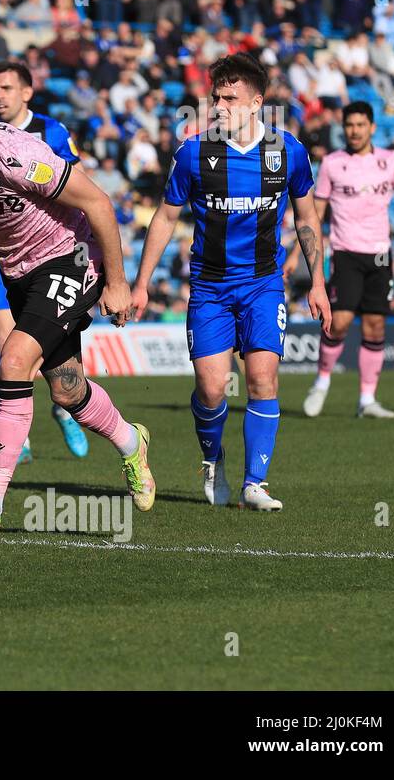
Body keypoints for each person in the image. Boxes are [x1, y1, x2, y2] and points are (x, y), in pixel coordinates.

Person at [0, 72, 153, 546]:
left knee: (14, 360)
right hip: (19, 273)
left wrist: (117, 283)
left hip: (72, 257)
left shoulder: (16, 153)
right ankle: (130, 441)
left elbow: (99, 203)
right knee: (66, 390)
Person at [130, 53, 330, 512]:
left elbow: (307, 217)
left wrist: (317, 281)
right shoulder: (194, 152)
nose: (219, 105)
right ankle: (211, 460)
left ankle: (254, 483)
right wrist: (141, 284)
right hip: (209, 288)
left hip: (263, 283)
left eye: (230, 98)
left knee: (262, 377)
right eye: (215, 97)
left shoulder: (288, 151)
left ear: (257, 102)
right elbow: (164, 217)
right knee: (212, 388)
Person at [0, 59, 91, 460]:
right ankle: (17, 436)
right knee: (5, 342)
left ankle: (65, 407)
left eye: (6, 88)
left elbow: (79, 187)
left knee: (49, 344)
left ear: (26, 92)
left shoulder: (51, 132)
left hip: (50, 251)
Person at [303, 102, 394, 420]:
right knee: (339, 321)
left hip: (380, 255)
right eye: (349, 125)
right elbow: (317, 213)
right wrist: (298, 250)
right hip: (345, 253)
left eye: (360, 125)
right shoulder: (331, 163)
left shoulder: (391, 160)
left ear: (372, 127)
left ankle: (367, 399)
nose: (354, 131)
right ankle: (322, 381)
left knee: (375, 325)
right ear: (344, 128)